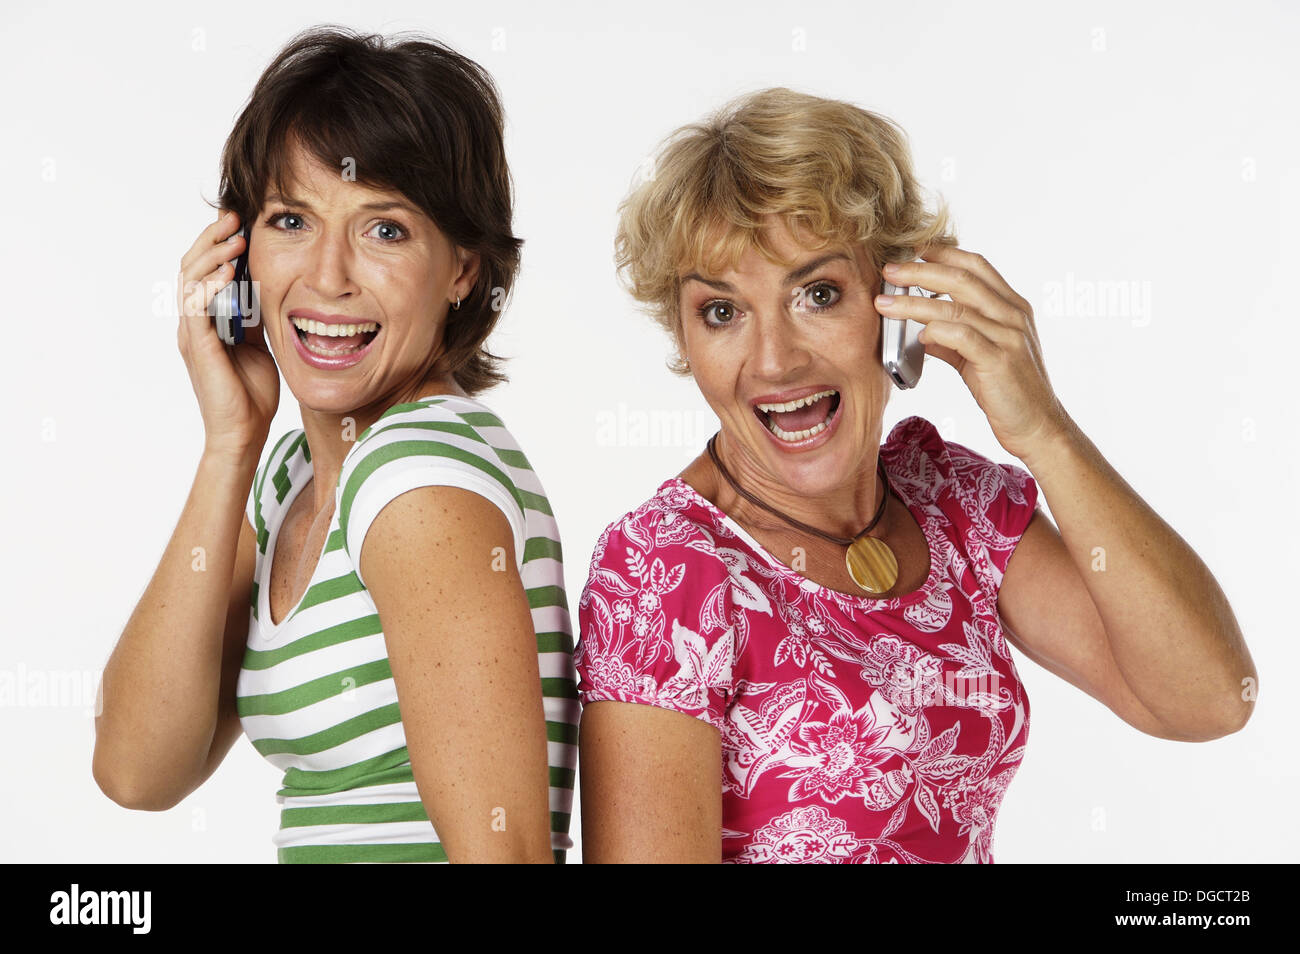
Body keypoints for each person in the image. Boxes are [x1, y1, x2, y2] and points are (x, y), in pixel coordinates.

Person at [575, 87, 1257, 863]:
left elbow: (1206, 700)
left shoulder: (950, 502)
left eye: (817, 294)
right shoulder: (664, 573)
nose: (773, 360)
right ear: (684, 336)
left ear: (901, 301)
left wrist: (1044, 429)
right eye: (722, 312)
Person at [92, 26, 577, 863]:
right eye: (291, 220)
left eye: (384, 230)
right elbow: (137, 769)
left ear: (463, 267)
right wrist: (229, 445)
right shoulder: (289, 477)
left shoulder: (419, 476)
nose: (327, 277)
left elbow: (509, 856)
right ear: (236, 256)